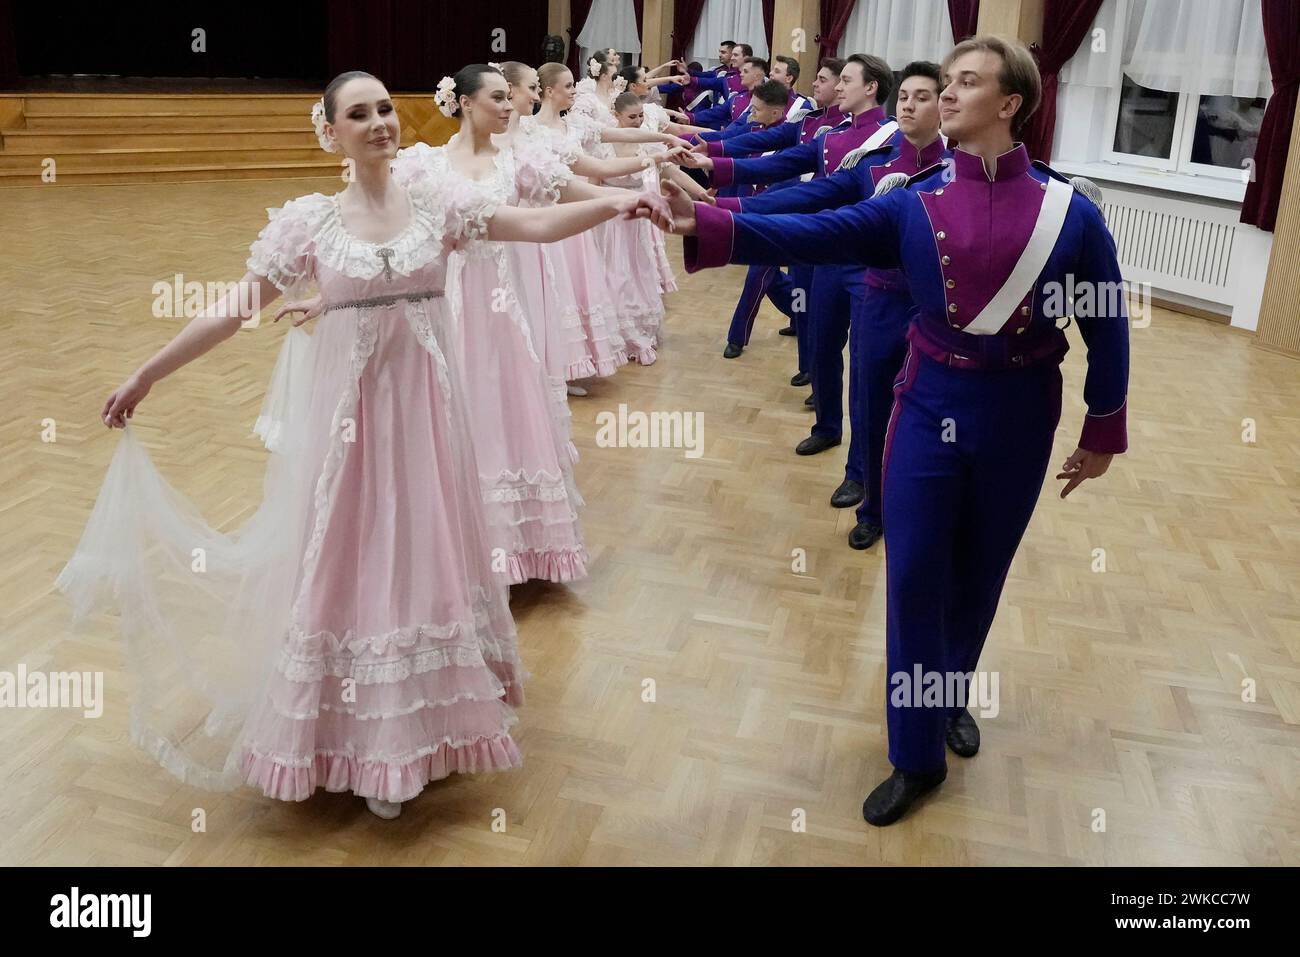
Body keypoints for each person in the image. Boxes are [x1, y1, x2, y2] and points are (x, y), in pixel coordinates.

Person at [57, 71, 664, 820]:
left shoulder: (436, 204)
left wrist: (616, 200)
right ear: (331, 132)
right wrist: (147, 374)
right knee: (356, 553)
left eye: (384, 109)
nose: (379, 122)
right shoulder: (310, 224)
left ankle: (420, 728)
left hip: (431, 420)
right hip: (350, 429)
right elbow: (231, 310)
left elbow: (529, 224)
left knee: (423, 551)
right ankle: (355, 735)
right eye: (359, 113)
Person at [657, 35, 1129, 826]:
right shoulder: (913, 198)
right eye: (944, 81)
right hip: (928, 404)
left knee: (980, 574)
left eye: (965, 83)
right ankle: (915, 755)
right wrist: (712, 219)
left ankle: (947, 696)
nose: (946, 94)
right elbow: (822, 226)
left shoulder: (1069, 212)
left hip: (1020, 415)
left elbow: (1108, 324)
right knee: (913, 578)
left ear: (1009, 103)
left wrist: (1103, 428)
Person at [710, 62, 948, 549]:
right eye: (905, 95)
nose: (907, 104)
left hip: (935, 307)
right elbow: (807, 191)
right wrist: (718, 208)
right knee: (863, 383)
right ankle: (865, 488)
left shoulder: (958, 167)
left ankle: (915, 496)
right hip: (874, 285)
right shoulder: (874, 157)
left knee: (925, 411)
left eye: (922, 97)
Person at [683, 54, 898, 452]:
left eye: (845, 80)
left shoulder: (891, 137)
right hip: (820, 246)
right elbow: (783, 161)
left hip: (866, 259)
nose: (836, 87)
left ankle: (863, 464)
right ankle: (827, 427)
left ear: (871, 88)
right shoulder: (830, 136)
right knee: (821, 339)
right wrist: (712, 162)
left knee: (866, 364)